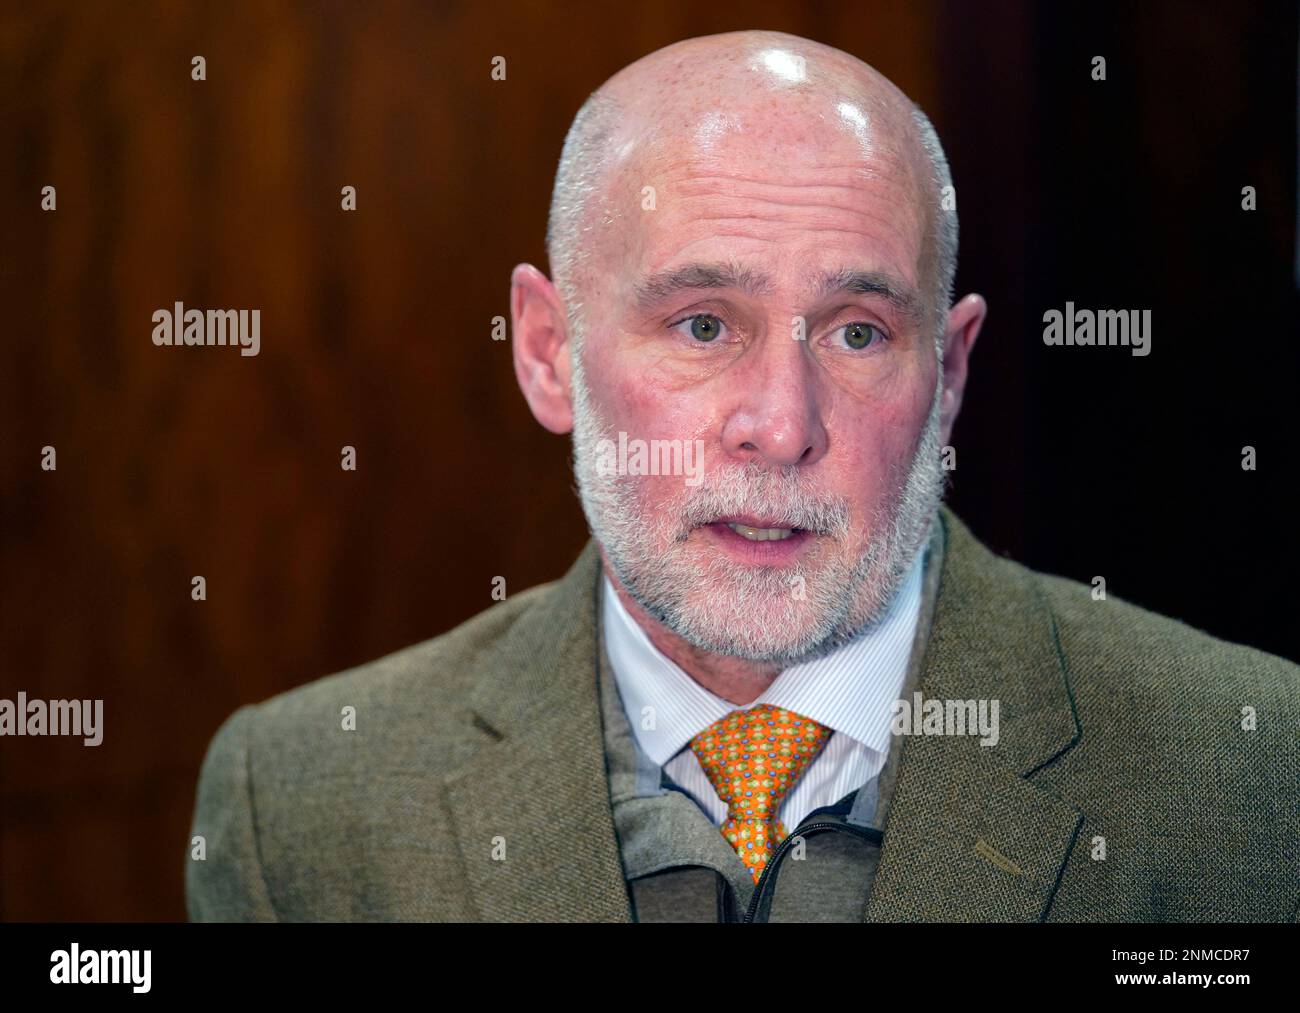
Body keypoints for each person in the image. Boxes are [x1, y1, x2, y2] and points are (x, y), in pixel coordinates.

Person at [187, 29, 1299, 922]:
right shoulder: (298, 804)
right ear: (548, 351)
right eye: (704, 321)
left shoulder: (1256, 775)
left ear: (948, 373)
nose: (780, 425)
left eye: (857, 332)